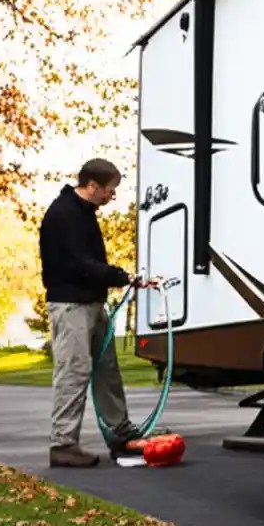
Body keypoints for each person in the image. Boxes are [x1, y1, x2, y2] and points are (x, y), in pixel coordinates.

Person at [38, 158, 160, 467]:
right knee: (73, 373)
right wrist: (120, 276)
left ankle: (121, 434)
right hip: (71, 306)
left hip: (92, 304)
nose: (111, 197)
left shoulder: (85, 213)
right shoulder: (63, 214)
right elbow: (77, 264)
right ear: (92, 186)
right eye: (109, 190)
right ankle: (63, 444)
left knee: (107, 372)